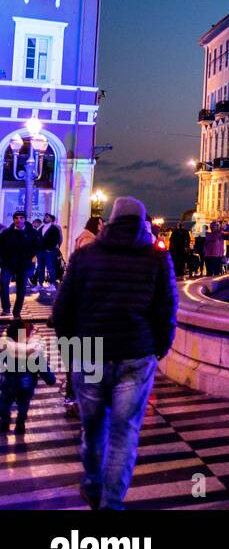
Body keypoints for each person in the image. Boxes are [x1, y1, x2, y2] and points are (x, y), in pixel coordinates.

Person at [52, 196, 177, 511]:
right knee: (124, 433)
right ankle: (111, 503)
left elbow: (63, 309)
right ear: (142, 223)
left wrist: (72, 348)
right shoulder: (156, 258)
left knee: (92, 426)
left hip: (89, 349)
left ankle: (93, 482)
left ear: (111, 220)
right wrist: (157, 348)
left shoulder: (85, 255)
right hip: (136, 352)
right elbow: (166, 310)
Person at [0, 320, 57, 436]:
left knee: (5, 402)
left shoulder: (5, 348)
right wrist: (51, 379)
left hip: (8, 383)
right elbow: (43, 369)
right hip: (26, 384)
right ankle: (20, 422)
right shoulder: (34, 352)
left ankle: (4, 420)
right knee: (23, 403)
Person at [0, 212, 42, 319]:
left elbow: (38, 246)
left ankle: (17, 312)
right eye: (16, 218)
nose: (18, 220)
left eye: (21, 218)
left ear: (25, 219)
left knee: (21, 289)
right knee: (3, 284)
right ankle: (6, 308)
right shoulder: (7, 232)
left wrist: (29, 257)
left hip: (23, 264)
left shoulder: (32, 232)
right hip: (7, 264)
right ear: (13, 219)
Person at [36, 212, 62, 290]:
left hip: (49, 252)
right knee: (40, 268)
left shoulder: (55, 229)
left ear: (51, 219)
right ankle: (40, 284)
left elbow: (57, 239)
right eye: (45, 217)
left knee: (50, 268)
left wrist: (50, 249)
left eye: (47, 217)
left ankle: (52, 284)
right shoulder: (41, 228)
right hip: (40, 251)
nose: (45, 218)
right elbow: (37, 238)